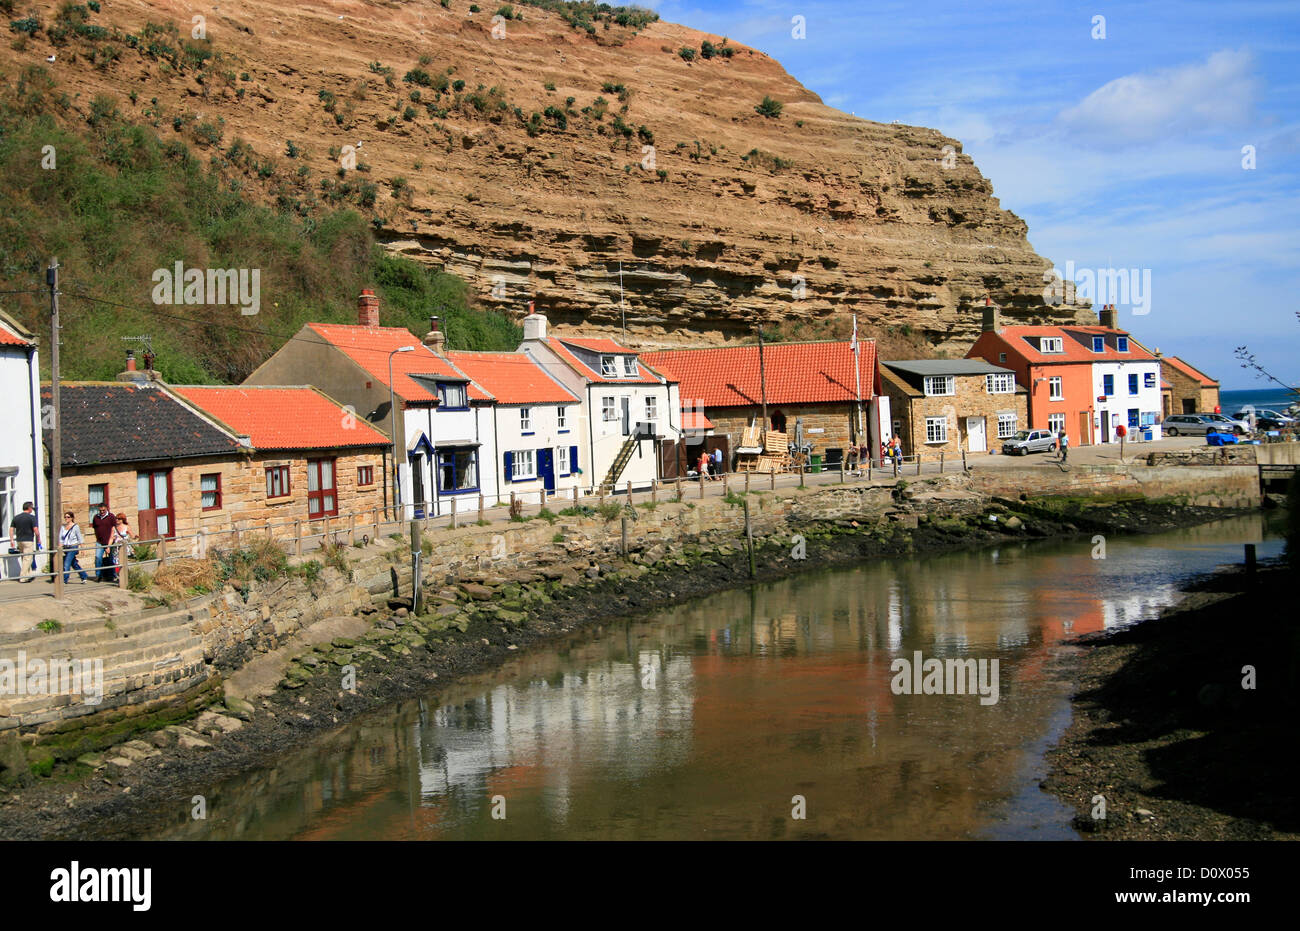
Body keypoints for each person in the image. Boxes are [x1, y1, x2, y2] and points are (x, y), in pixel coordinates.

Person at [9, 501, 40, 582]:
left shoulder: (16, 517)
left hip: (19, 540)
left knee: (24, 558)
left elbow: (11, 529)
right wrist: (39, 539)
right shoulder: (31, 517)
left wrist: (12, 540)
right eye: (32, 508)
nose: (32, 509)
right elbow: (35, 530)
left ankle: (27, 575)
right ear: (29, 508)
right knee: (28, 558)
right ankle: (23, 578)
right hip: (28, 540)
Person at [59, 511, 90, 584]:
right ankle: (84, 576)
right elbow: (61, 539)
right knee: (74, 564)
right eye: (65, 517)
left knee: (66, 563)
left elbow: (80, 538)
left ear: (72, 518)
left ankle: (64, 580)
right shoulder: (63, 527)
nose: (66, 518)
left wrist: (82, 549)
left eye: (68, 517)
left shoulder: (75, 526)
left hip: (73, 547)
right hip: (66, 547)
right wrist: (60, 547)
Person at [91, 501, 116, 582]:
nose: (102, 512)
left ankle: (112, 575)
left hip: (109, 541)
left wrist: (108, 545)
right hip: (99, 542)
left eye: (103, 510)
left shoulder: (111, 516)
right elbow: (95, 528)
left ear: (106, 509)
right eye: (100, 510)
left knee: (111, 559)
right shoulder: (96, 517)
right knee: (98, 557)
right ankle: (98, 575)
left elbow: (113, 530)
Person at [109, 514, 134, 582]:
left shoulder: (127, 527)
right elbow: (111, 538)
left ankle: (126, 577)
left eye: (119, 519)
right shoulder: (114, 528)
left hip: (125, 548)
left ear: (122, 520)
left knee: (124, 562)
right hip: (116, 549)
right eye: (116, 518)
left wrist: (134, 546)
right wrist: (108, 547)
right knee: (116, 563)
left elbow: (132, 536)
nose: (117, 520)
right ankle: (120, 576)